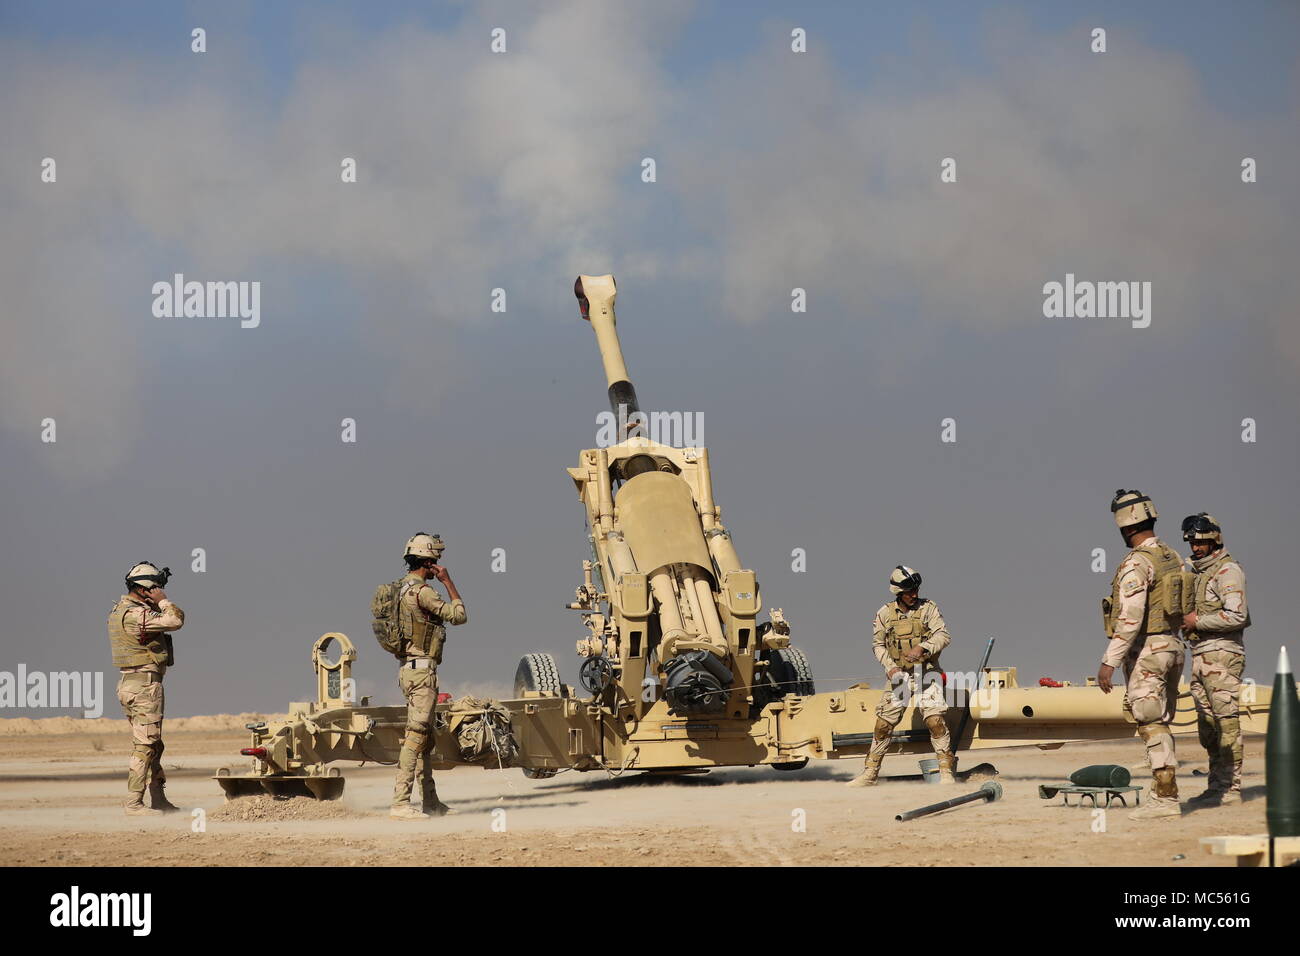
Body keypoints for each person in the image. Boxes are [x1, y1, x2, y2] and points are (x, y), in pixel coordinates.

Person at [1097, 490, 1185, 820]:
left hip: (1148, 650)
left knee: (1151, 724)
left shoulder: (1137, 563)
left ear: (1126, 528)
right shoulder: (1172, 557)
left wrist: (1109, 661)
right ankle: (1162, 792)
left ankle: (1165, 799)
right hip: (1174, 647)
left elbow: (1130, 617)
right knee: (1160, 723)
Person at [847, 566, 954, 787]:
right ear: (897, 593)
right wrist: (890, 668)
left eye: (916, 590)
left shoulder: (928, 609)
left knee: (935, 720)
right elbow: (878, 645)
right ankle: (870, 773)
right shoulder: (884, 614)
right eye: (908, 592)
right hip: (901, 675)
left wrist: (923, 648)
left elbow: (943, 635)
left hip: (927, 673)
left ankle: (946, 772)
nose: (914, 595)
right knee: (883, 725)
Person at [390, 533, 467, 819]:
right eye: (436, 559)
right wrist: (448, 582)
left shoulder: (400, 589)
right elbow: (459, 616)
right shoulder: (423, 592)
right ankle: (400, 803)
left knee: (425, 739)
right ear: (428, 561)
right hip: (421, 673)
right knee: (416, 737)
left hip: (409, 671)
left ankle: (431, 803)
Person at [1181, 513, 1249, 806]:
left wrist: (1199, 621)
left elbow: (1238, 615)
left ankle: (1230, 788)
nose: (1196, 547)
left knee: (1226, 722)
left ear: (1214, 540)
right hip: (1200, 654)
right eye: (1193, 542)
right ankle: (1215, 787)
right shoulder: (1196, 573)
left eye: (1201, 542)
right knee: (1208, 726)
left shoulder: (1227, 571)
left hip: (1222, 653)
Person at [107, 562, 184, 815]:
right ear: (144, 589)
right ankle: (134, 804)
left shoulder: (120, 610)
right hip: (144, 685)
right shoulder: (135, 614)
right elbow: (175, 620)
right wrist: (163, 601)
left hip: (134, 684)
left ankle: (158, 799)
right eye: (156, 587)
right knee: (145, 745)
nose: (159, 590)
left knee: (154, 744)